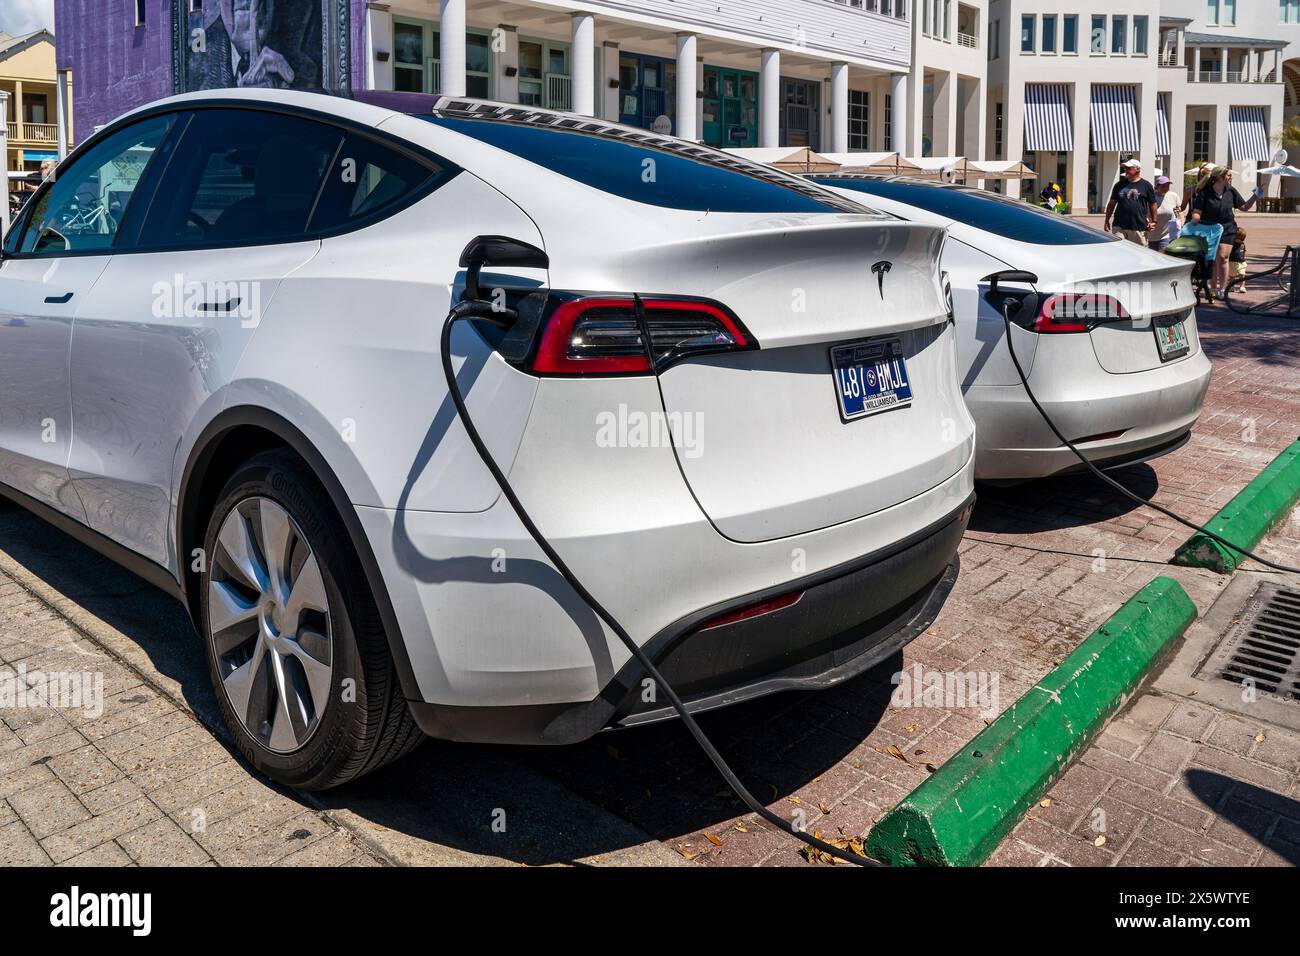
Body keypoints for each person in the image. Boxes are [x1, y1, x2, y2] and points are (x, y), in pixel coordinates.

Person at [1189, 165, 1260, 299]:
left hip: (1228, 229)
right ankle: (1213, 288)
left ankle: (1222, 289)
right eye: (1228, 175)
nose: (1231, 177)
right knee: (1214, 260)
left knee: (1223, 257)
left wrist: (1256, 195)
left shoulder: (1231, 191)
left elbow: (1244, 207)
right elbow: (1197, 211)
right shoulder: (1205, 192)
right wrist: (1195, 218)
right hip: (1210, 230)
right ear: (1220, 178)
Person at [1103, 159, 1158, 245]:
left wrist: (1154, 221)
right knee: (1119, 251)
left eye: (1128, 168)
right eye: (1125, 168)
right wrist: (1107, 220)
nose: (1126, 170)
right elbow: (1112, 203)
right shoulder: (1119, 185)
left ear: (1137, 169)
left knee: (1139, 253)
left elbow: (1153, 204)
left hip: (1138, 226)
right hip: (1119, 226)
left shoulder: (1146, 185)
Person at [1148, 175, 1182, 251]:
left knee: (1162, 256)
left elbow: (1179, 210)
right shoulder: (1151, 197)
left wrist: (1181, 221)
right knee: (1154, 258)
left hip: (1168, 234)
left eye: (1167, 185)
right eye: (1163, 186)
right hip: (1152, 235)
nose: (1166, 188)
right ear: (1157, 186)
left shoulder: (1173, 196)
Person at [1229, 228, 1249, 293]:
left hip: (1241, 262)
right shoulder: (1232, 244)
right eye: (1239, 238)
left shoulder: (1242, 244)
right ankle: (1231, 286)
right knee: (1232, 276)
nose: (1241, 240)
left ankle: (1242, 287)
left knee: (1242, 275)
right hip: (1232, 261)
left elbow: (1243, 252)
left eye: (1242, 238)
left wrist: (1243, 258)